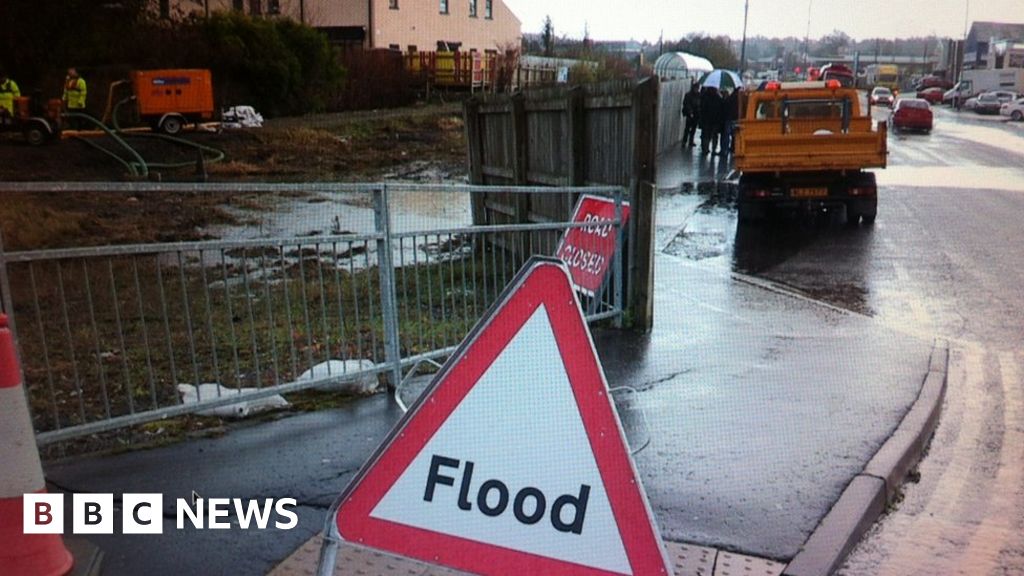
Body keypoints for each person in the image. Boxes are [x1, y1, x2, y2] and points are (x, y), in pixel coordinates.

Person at [700, 87, 723, 156]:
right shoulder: (718, 98)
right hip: (715, 120)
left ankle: (705, 149)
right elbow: (720, 109)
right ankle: (713, 149)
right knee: (714, 136)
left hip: (706, 120)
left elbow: (702, 108)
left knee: (706, 135)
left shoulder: (705, 96)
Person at [721, 87, 741, 156]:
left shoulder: (730, 97)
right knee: (735, 135)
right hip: (737, 119)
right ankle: (734, 149)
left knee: (727, 135)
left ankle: (725, 150)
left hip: (729, 118)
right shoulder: (740, 98)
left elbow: (725, 106)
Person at [681, 82, 700, 149]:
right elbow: (686, 104)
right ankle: (684, 141)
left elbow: (699, 104)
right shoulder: (688, 95)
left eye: (697, 88)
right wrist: (690, 112)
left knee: (693, 129)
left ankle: (690, 141)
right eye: (696, 88)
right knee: (687, 128)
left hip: (696, 114)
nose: (696, 89)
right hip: (690, 114)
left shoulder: (698, 95)